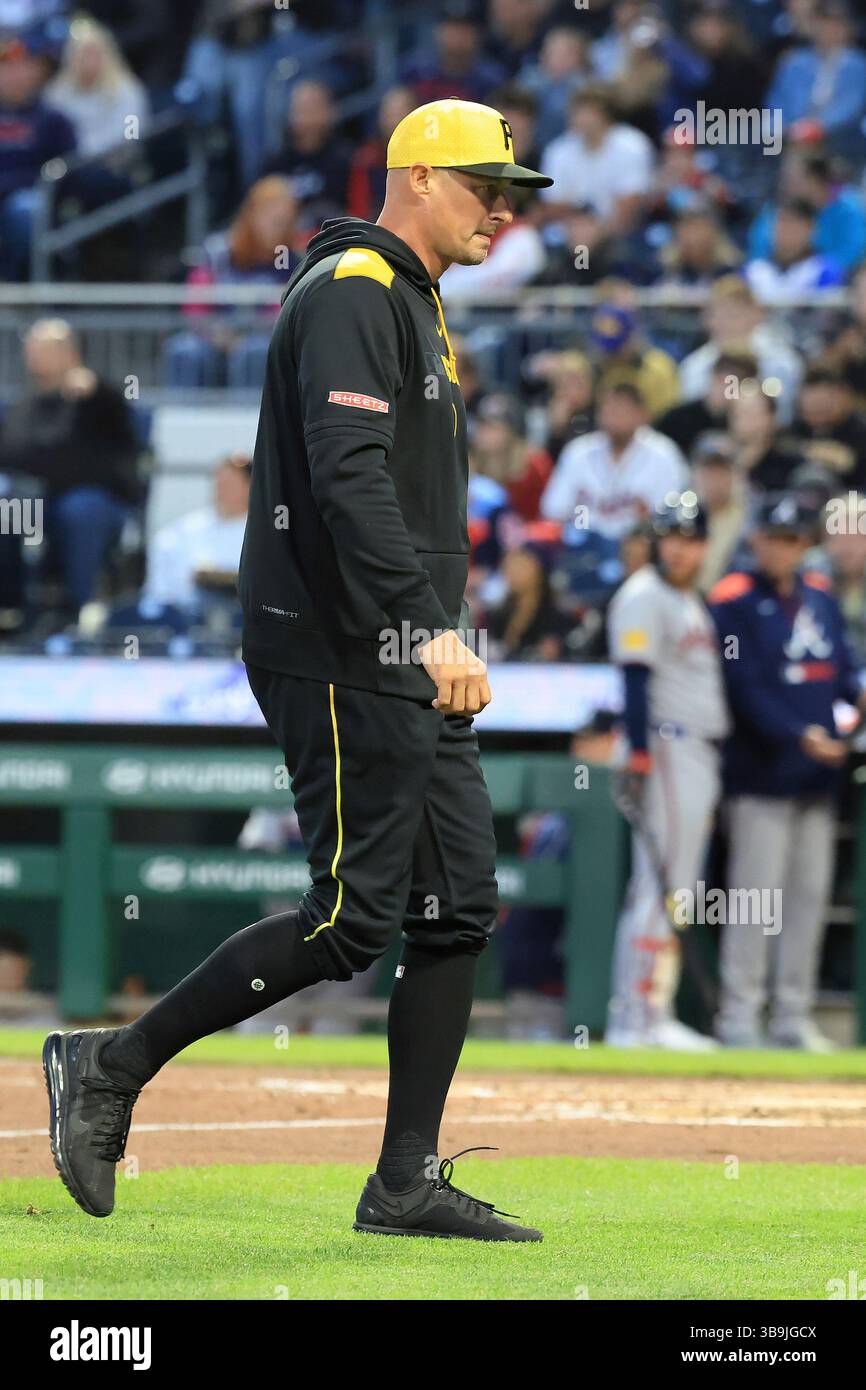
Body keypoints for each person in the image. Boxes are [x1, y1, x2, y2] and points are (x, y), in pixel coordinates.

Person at [43, 96, 550, 1243]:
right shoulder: (353, 294)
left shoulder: (408, 299)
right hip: (346, 646)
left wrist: (429, 631)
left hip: (403, 649)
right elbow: (348, 478)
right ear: (417, 177)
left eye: (509, 193)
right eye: (483, 187)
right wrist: (423, 627)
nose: (500, 211)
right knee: (345, 922)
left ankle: (403, 1181)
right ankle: (108, 1064)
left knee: (456, 907)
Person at [708, 493, 864, 1050]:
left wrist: (856, 702)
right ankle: (740, 1018)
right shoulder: (734, 600)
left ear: (806, 545)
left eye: (794, 539)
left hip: (819, 781)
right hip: (760, 774)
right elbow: (742, 688)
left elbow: (842, 671)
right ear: (756, 541)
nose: (783, 549)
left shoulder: (820, 598)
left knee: (806, 899)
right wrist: (799, 735)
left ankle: (792, 1017)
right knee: (754, 900)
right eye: (775, 538)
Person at [605, 495, 729, 1050]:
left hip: (695, 752)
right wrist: (636, 755)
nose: (677, 547)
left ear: (703, 544)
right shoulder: (645, 595)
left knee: (671, 887)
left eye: (688, 538)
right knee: (659, 886)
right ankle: (637, 1018)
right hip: (666, 747)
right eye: (669, 536)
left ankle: (649, 1012)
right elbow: (634, 680)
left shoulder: (688, 600)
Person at [0, 318, 141, 613]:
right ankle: (14, 609)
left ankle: (81, 610)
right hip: (37, 499)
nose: (34, 357)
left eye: (43, 349)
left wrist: (95, 389)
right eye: (32, 350)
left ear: (69, 352)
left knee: (81, 510)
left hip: (93, 498)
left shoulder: (96, 395)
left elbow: (121, 422)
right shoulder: (25, 404)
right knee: (10, 507)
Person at [540, 380, 688, 540]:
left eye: (623, 409)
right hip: (584, 545)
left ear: (642, 414)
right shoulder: (578, 451)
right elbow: (553, 509)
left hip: (641, 543)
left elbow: (673, 511)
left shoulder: (663, 452)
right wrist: (582, 518)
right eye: (610, 408)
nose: (615, 415)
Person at [539, 84, 655, 238]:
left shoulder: (632, 145)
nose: (580, 118)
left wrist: (598, 233)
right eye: (577, 112)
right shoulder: (558, 151)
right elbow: (552, 206)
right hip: (569, 232)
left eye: (588, 112)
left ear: (605, 115)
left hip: (619, 233)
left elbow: (630, 206)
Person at [143, 454, 251, 612]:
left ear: (250, 486)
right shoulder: (184, 530)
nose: (223, 489)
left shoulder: (265, 533)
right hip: (190, 620)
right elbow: (161, 592)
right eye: (220, 482)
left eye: (232, 483)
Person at [46, 14, 150, 157]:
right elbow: (53, 136)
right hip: (72, 169)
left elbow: (133, 134)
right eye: (82, 54)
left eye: (94, 52)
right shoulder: (57, 94)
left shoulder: (129, 91)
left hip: (119, 167)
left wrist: (90, 154)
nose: (88, 60)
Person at [744, 198, 843, 304]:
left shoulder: (826, 273)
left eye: (793, 224)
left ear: (811, 229)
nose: (786, 230)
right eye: (781, 222)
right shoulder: (753, 271)